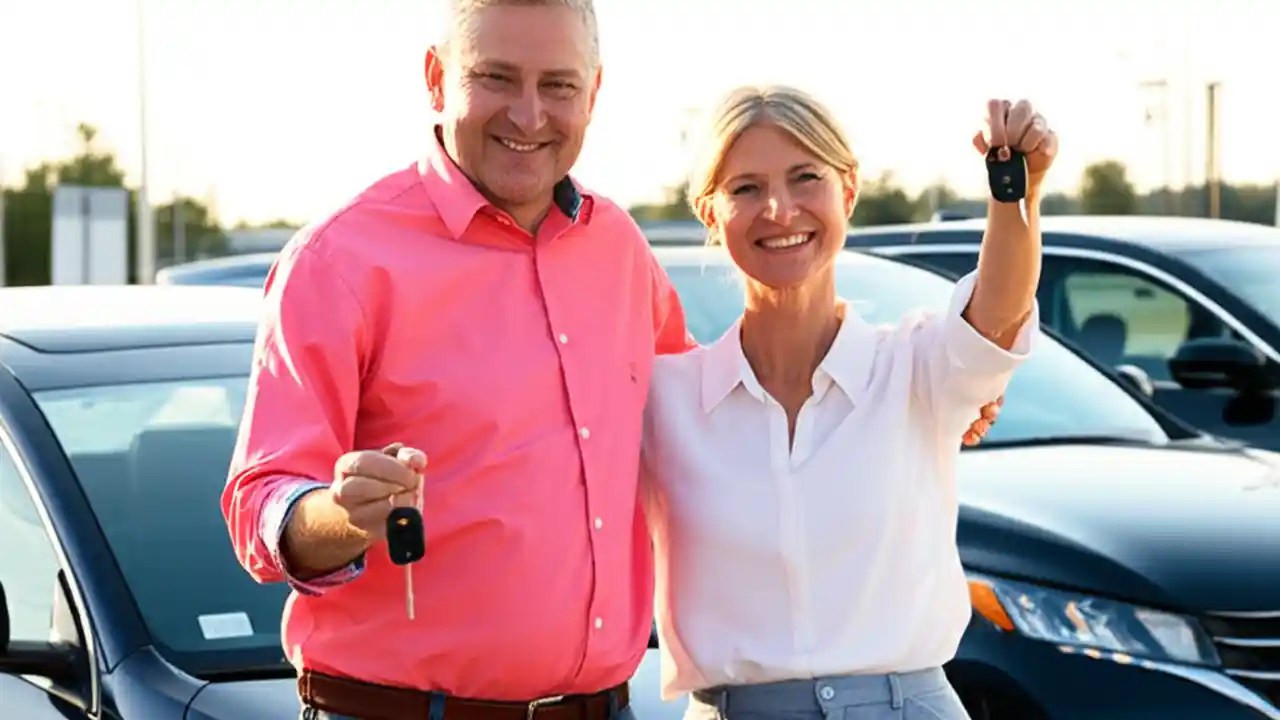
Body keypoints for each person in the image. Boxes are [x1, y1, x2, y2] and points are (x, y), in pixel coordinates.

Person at [221, 2, 1001, 718]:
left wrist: (918, 405)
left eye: (557, 85)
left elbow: (718, 412)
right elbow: (260, 500)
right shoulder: (340, 262)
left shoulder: (617, 251)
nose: (529, 116)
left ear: (592, 93)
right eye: (496, 79)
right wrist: (333, 516)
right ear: (436, 78)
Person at [639, 86, 1054, 719]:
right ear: (709, 213)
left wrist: (1016, 194)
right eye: (745, 188)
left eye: (806, 178)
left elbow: (997, 313)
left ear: (848, 192)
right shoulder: (663, 401)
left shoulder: (915, 368)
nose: (779, 209)